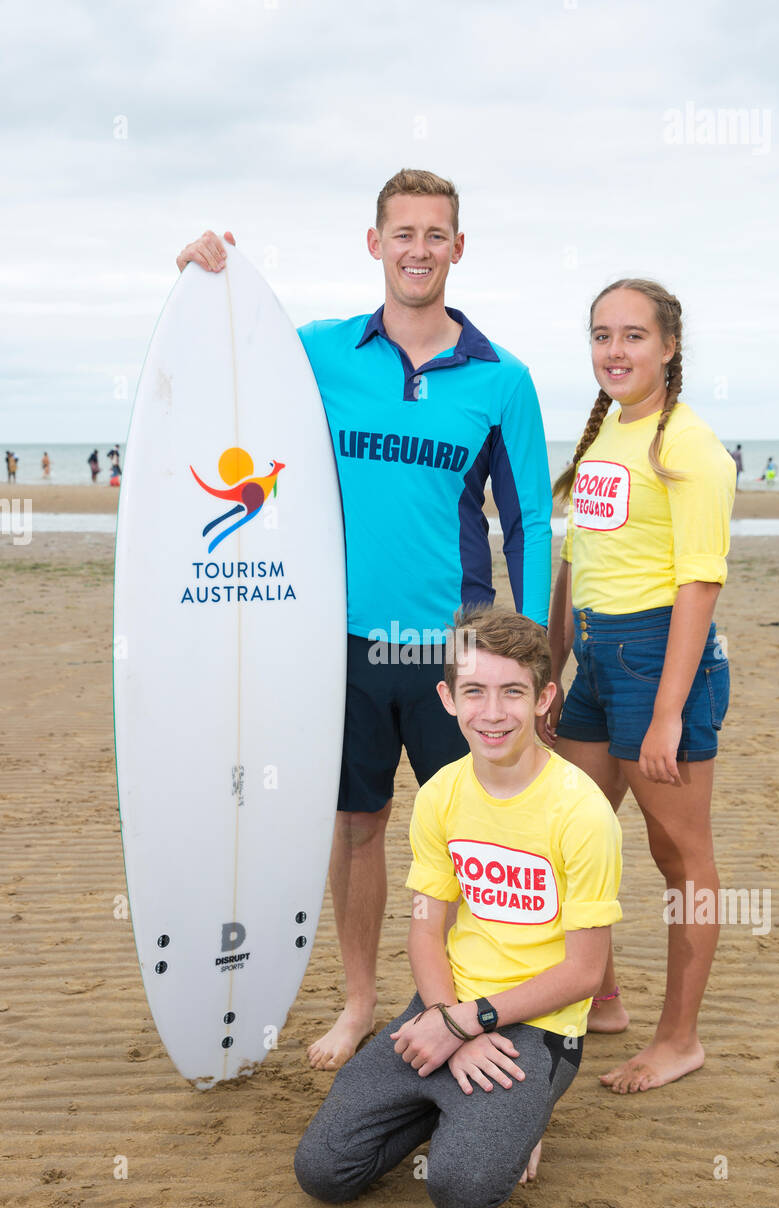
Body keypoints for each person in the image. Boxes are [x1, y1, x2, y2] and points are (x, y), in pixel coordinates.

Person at [176, 170, 552, 1071]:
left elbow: (532, 519)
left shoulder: (502, 379)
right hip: (337, 645)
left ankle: (464, 1007)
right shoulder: (321, 352)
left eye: (436, 234)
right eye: (403, 233)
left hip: (452, 653)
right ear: (374, 243)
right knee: (358, 825)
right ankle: (356, 1002)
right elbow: (227, 359)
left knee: (474, 835)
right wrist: (201, 277)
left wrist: (532, 659)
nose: (418, 250)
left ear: (459, 248)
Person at [294, 608, 622, 1208]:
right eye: (474, 691)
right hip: (445, 1003)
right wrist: (448, 1018)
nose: (492, 713)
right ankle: (461, 1107)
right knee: (323, 1171)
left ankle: (511, 1116)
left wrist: (472, 1022)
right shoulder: (441, 792)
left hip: (540, 1025)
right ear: (447, 697)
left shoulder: (582, 813)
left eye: (512, 693)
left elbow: (584, 973)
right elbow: (426, 929)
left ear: (545, 698)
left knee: (461, 1188)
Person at [540, 278, 735, 1095]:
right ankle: (603, 997)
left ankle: (679, 1038)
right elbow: (573, 562)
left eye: (632, 337)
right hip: (594, 656)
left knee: (679, 855)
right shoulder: (604, 436)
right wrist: (550, 671)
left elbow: (700, 584)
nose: (614, 352)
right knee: (575, 834)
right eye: (601, 336)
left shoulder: (687, 444)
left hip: (664, 660)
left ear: (669, 346)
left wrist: (664, 715)